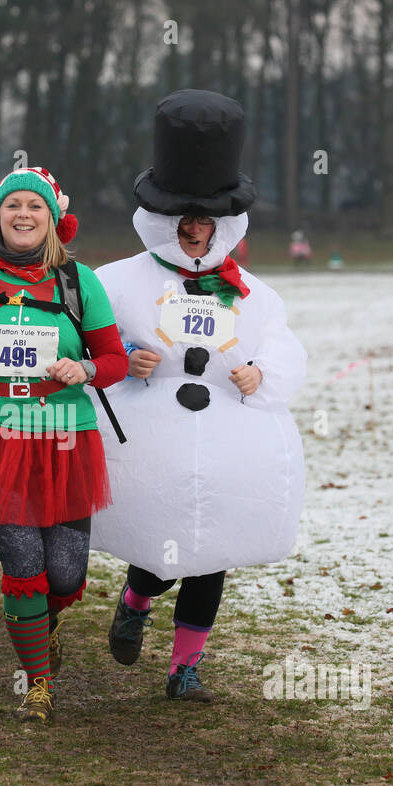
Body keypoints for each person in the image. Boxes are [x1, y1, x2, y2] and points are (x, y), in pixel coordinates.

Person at [92, 89, 307, 702]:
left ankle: (185, 668)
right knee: (162, 552)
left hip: (227, 444)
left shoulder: (253, 293)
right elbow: (85, 347)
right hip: (149, 439)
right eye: (182, 223)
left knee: (212, 553)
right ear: (164, 222)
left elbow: (285, 346)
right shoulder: (117, 282)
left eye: (203, 223)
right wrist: (124, 362)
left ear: (222, 225)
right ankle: (136, 600)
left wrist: (262, 373)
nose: (192, 233)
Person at [0, 167, 129, 724]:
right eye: (13, 207)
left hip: (64, 437)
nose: (23, 216)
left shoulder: (79, 281)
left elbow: (115, 361)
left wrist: (82, 368)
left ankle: (48, 622)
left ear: (52, 217)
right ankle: (37, 684)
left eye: (34, 207)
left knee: (65, 573)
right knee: (22, 560)